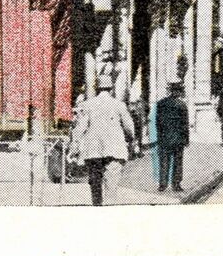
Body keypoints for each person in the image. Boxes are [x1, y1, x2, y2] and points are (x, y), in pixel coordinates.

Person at [69, 76, 139, 206]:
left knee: (95, 184)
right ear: (111, 88)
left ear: (97, 88)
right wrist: (131, 140)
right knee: (111, 187)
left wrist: (74, 146)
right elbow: (129, 128)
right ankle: (108, 213)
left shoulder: (87, 105)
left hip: (93, 151)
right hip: (114, 150)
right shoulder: (119, 105)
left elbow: (80, 128)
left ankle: (97, 209)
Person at [154, 81, 190, 193]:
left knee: (164, 161)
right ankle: (176, 184)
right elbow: (185, 124)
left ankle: (162, 184)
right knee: (178, 162)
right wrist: (186, 138)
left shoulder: (161, 103)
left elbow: (157, 122)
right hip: (178, 138)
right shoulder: (182, 105)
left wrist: (159, 136)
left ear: (170, 91)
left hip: (164, 137)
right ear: (178, 92)